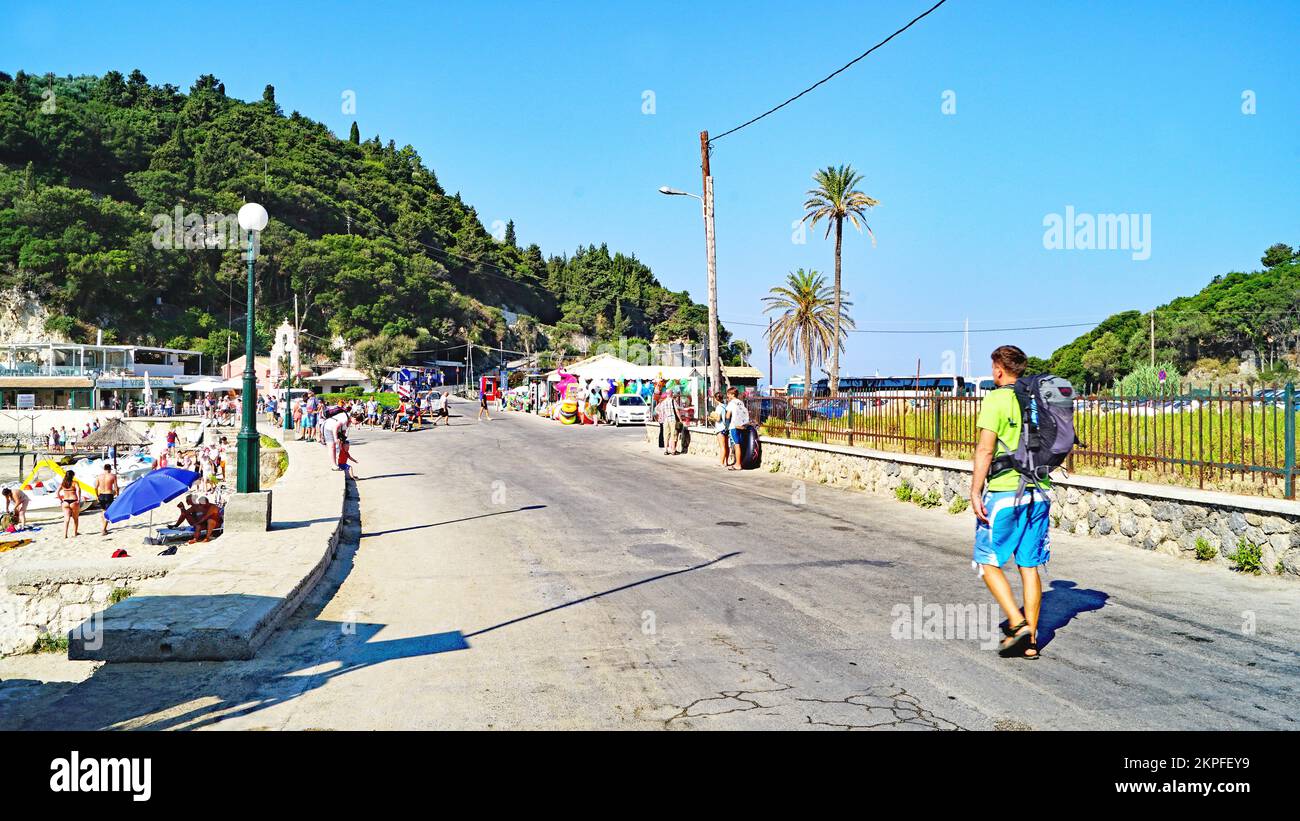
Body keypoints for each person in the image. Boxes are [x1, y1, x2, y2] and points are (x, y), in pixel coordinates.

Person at [969, 344, 1046, 660]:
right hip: (1040, 491)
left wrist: (975, 491)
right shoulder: (1036, 400)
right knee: (1029, 565)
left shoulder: (996, 399)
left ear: (999, 368)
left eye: (992, 368)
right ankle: (1031, 642)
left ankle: (1017, 623)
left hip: (1005, 493)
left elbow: (985, 450)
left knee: (986, 560)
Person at [724, 387, 750, 470]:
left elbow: (727, 416)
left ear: (732, 394)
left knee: (736, 445)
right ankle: (739, 462)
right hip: (741, 426)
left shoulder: (731, 403)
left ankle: (738, 464)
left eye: (728, 394)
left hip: (734, 426)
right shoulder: (741, 402)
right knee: (740, 445)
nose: (727, 395)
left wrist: (727, 426)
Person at [58, 470, 84, 538]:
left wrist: (60, 499)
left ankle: (65, 534)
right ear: (72, 475)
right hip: (74, 501)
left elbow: (57, 492)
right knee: (75, 518)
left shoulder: (63, 483)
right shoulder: (75, 483)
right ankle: (75, 533)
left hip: (65, 501)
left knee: (66, 519)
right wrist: (79, 499)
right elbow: (78, 490)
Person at [94, 464, 119, 535]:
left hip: (101, 495)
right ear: (110, 469)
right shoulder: (113, 476)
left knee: (103, 511)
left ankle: (104, 527)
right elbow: (116, 487)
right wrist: (117, 496)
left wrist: (96, 496)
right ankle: (104, 529)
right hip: (109, 495)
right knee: (108, 512)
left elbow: (95, 487)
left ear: (104, 469)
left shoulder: (99, 476)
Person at [655, 391, 681, 455]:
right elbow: (677, 411)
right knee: (673, 435)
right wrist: (680, 419)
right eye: (672, 393)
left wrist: (662, 418)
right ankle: (673, 450)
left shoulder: (663, 402)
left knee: (666, 435)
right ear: (671, 394)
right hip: (672, 419)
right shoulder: (673, 401)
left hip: (666, 420)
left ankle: (666, 450)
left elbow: (660, 411)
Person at [710, 391, 730, 468]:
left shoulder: (719, 407)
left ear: (716, 399)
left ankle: (721, 462)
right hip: (726, 428)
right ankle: (726, 462)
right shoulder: (725, 406)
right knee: (726, 446)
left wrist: (713, 418)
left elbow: (718, 419)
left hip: (720, 428)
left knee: (722, 446)